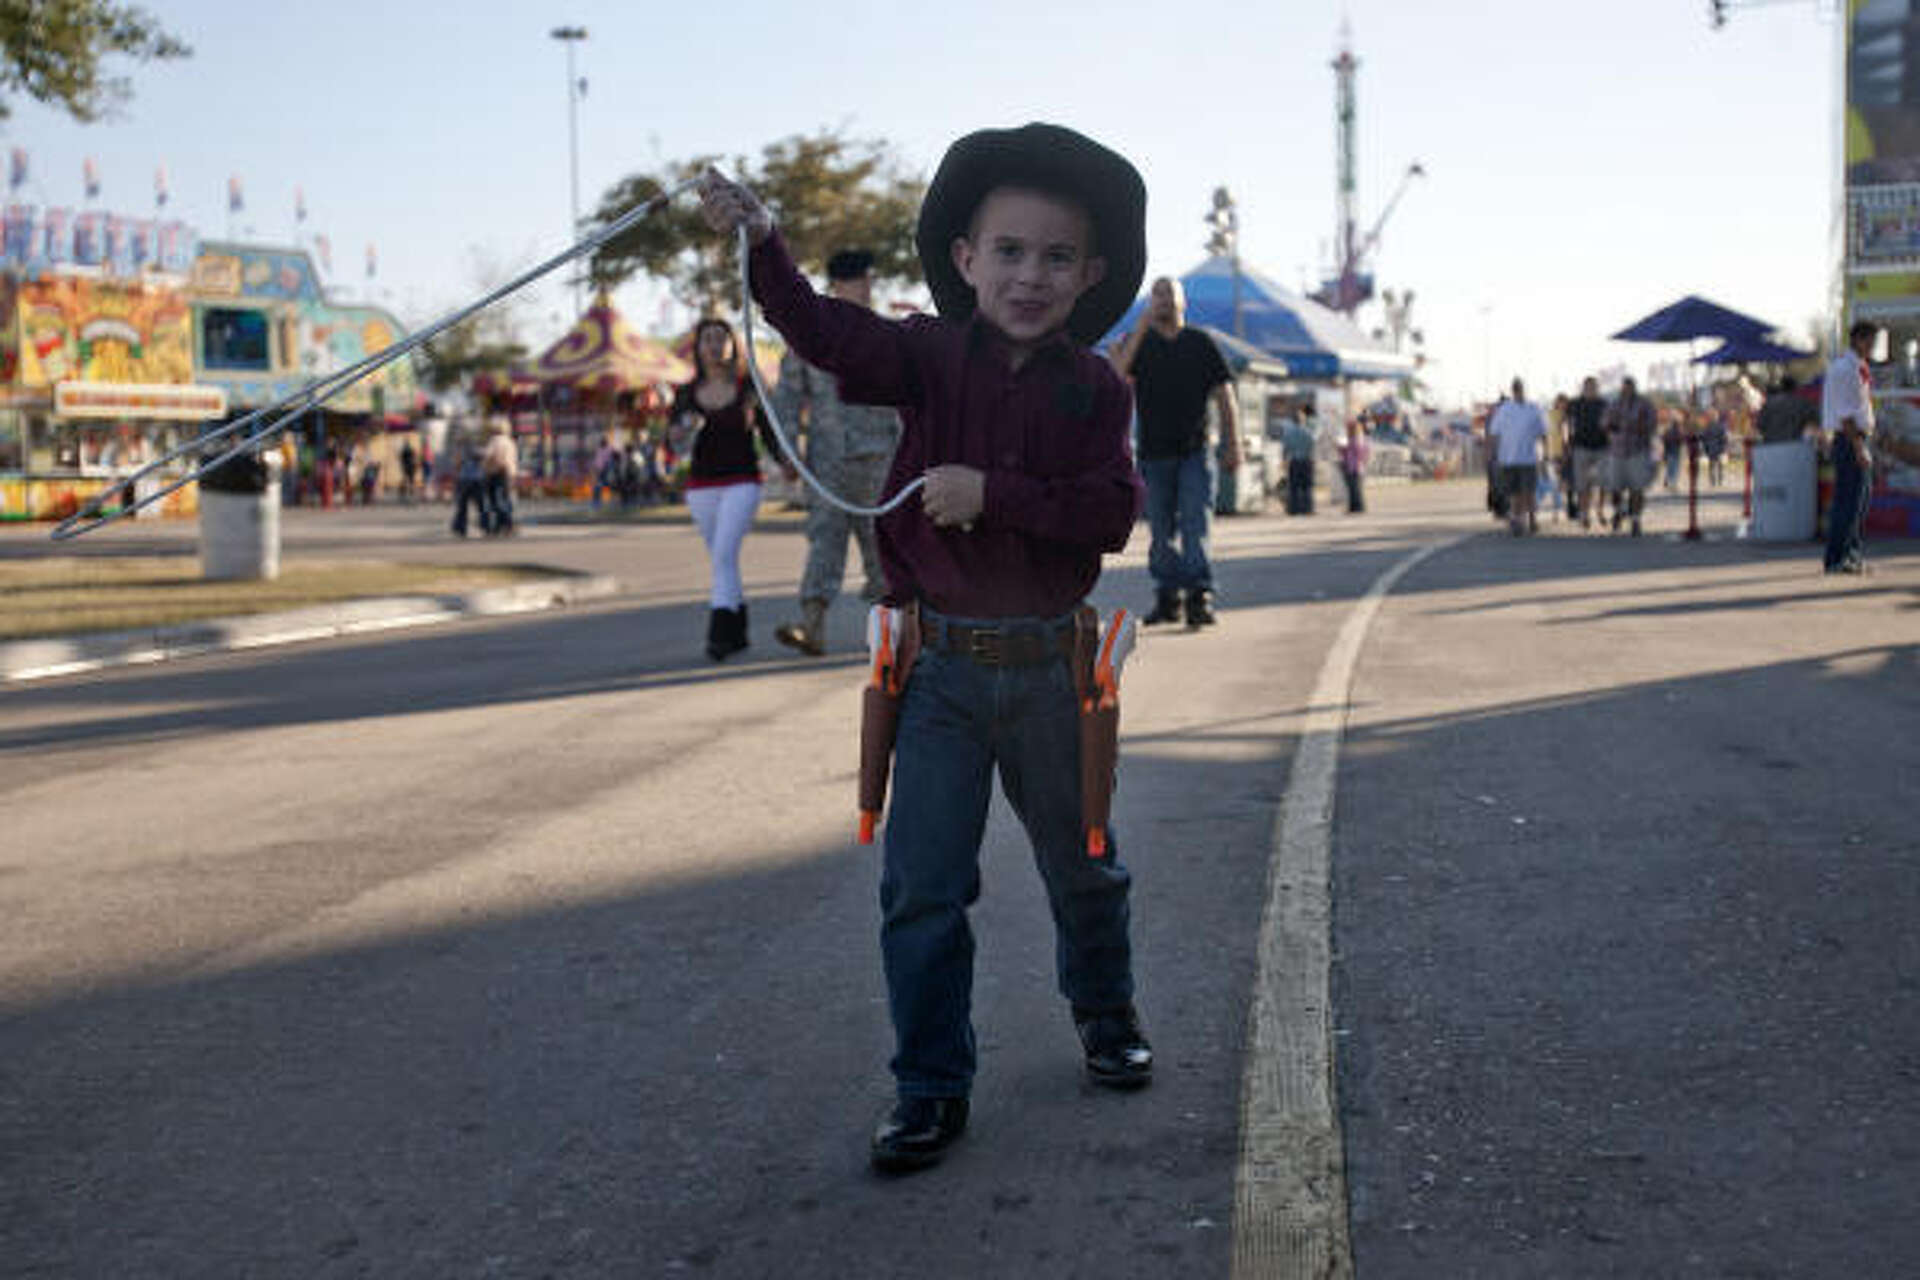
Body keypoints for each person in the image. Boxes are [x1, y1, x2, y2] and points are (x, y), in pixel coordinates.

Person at [699, 121, 1154, 1174]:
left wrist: (995, 496)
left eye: (1054, 257)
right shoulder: (923, 354)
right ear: (964, 258)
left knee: (1084, 865)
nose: (1028, 276)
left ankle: (1106, 1013)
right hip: (941, 675)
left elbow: (1109, 513)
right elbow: (822, 331)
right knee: (922, 887)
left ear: (1090, 274)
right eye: (1007, 251)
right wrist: (765, 240)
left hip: (1050, 670)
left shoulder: (1099, 388)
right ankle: (930, 1084)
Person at [767, 249, 903, 656]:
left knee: (886, 548)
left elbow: (910, 397)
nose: (867, 286)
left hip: (882, 459)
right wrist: (787, 450)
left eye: (869, 278)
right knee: (824, 542)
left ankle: (893, 636)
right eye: (859, 279)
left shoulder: (887, 333)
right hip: (828, 463)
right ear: (838, 286)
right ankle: (812, 627)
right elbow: (787, 398)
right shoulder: (809, 338)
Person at [1109, 275, 1241, 627]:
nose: (1163, 299)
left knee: (1196, 525)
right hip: (1153, 455)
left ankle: (1200, 596)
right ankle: (1169, 597)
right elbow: (1118, 375)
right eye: (1157, 294)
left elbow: (1225, 396)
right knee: (1160, 533)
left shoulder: (1201, 342)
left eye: (1169, 294)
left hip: (1195, 452)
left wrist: (1234, 444)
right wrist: (1140, 325)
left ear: (1184, 302)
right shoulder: (1141, 344)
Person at [672, 317, 781, 659]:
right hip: (701, 485)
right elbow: (673, 442)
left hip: (742, 481)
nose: (715, 345)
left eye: (722, 338)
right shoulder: (685, 394)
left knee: (722, 555)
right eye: (708, 339)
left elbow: (768, 430)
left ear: (733, 345)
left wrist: (787, 462)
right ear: (698, 348)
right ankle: (738, 630)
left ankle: (719, 634)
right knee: (724, 560)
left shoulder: (749, 387)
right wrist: (681, 431)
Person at [1820, 319, 1879, 574]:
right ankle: (1838, 557)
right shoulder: (1845, 369)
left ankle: (1851, 554)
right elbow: (1846, 414)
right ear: (1857, 339)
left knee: (1859, 501)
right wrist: (1858, 447)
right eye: (1869, 341)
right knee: (1848, 502)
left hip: (1856, 437)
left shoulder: (1858, 367)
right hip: (1849, 439)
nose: (1872, 347)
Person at [1487, 377, 1549, 536]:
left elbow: (1543, 433)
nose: (1518, 391)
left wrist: (1545, 454)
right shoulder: (1504, 410)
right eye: (1515, 388)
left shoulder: (1533, 408)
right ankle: (1518, 521)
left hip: (1528, 457)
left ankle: (1533, 519)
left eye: (1520, 388)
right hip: (1508, 458)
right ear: (1512, 390)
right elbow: (1494, 433)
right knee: (1514, 493)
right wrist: (1492, 453)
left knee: (1528, 492)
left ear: (1524, 389)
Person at [1603, 376, 1658, 536]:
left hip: (1638, 451)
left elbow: (1652, 424)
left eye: (1630, 387)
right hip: (1617, 451)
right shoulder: (1614, 403)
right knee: (1615, 488)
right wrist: (1613, 425)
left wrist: (1638, 426)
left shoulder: (1644, 404)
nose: (1626, 390)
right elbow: (1605, 423)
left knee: (1637, 488)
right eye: (1624, 387)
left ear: (1634, 388)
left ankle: (1635, 520)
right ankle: (1619, 511)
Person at [1566, 376, 1610, 530]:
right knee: (1582, 484)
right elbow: (1567, 424)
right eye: (1588, 387)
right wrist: (1567, 445)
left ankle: (1600, 510)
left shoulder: (1604, 404)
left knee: (1603, 483)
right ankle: (1584, 514)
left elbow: (1611, 425)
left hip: (1602, 448)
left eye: (1594, 387)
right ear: (1583, 388)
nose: (1591, 390)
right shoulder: (1574, 404)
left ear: (1597, 388)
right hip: (1581, 447)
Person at [1755, 375, 1819, 444]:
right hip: (1794, 445)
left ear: (1781, 387)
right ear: (1795, 387)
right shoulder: (1802, 403)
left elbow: (1760, 425)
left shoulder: (1769, 403)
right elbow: (1815, 420)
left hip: (1771, 445)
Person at [480, 419, 517, 535]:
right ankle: (505, 524)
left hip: (496, 472)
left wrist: (484, 466)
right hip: (509, 473)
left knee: (495, 501)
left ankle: (504, 523)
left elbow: (488, 455)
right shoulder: (510, 441)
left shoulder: (494, 441)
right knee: (505, 498)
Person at [1280, 408, 1317, 515]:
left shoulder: (1288, 433)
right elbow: (1312, 446)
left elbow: (1285, 448)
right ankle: (1307, 508)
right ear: (1303, 420)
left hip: (1294, 461)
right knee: (1307, 486)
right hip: (1306, 461)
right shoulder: (1308, 432)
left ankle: (1294, 509)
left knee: (1294, 487)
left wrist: (1284, 460)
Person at [449, 442, 488, 537]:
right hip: (474, 479)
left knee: (465, 506)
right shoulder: (478, 448)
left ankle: (462, 527)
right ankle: (485, 526)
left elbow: (457, 465)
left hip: (468, 479)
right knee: (479, 506)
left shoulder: (462, 449)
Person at [1339, 417, 1369, 513]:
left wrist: (1342, 449)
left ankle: (1357, 507)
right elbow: (1366, 452)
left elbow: (1345, 452)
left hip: (1352, 466)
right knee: (1355, 488)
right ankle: (1355, 506)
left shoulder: (1353, 439)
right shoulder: (1361, 438)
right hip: (1358, 466)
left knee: (1354, 489)